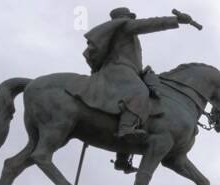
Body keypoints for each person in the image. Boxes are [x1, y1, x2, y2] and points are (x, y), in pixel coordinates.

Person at [68, 7, 196, 172]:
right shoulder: (125, 26)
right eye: (130, 17)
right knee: (139, 92)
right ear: (125, 17)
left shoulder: (121, 32)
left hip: (129, 71)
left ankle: (122, 158)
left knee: (146, 98)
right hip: (119, 69)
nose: (132, 20)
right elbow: (150, 24)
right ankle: (126, 128)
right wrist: (176, 21)